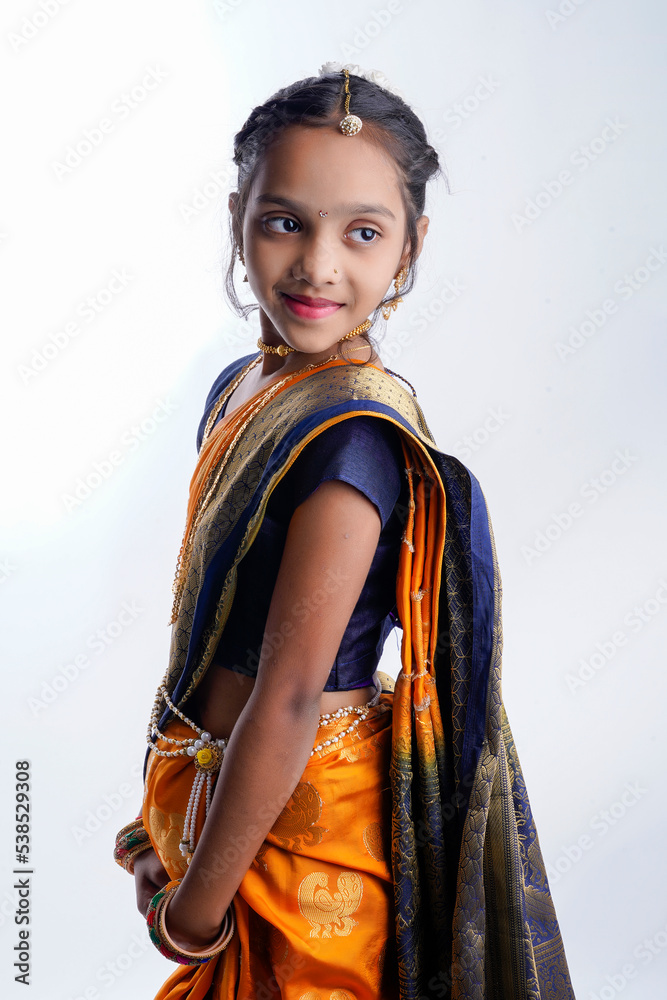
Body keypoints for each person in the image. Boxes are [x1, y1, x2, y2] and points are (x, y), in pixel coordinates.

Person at [113, 66, 576, 1000]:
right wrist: (160, 830)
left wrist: (197, 916)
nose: (319, 264)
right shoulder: (245, 389)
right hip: (215, 810)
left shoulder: (352, 444)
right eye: (285, 220)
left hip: (304, 846)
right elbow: (202, 632)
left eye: (361, 233)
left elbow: (286, 700)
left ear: (409, 248)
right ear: (237, 215)